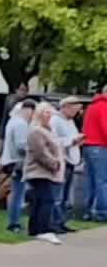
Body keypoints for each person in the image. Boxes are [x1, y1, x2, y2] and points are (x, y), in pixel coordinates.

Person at [24, 102, 64, 242]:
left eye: (50, 113)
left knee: (40, 200)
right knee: (47, 200)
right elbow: (40, 152)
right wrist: (54, 164)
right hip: (39, 171)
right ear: (39, 114)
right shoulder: (36, 131)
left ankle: (35, 229)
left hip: (48, 172)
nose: (48, 115)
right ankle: (43, 229)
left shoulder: (49, 130)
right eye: (46, 112)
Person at [0, 98, 34, 233]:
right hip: (18, 162)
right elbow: (21, 145)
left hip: (11, 161)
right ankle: (14, 223)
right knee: (18, 195)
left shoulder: (12, 121)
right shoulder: (21, 124)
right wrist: (33, 150)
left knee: (16, 194)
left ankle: (14, 221)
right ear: (28, 109)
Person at [49, 97, 83, 231]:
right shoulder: (55, 121)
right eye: (74, 110)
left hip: (70, 160)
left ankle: (61, 221)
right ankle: (53, 223)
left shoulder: (70, 122)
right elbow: (54, 140)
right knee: (58, 194)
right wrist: (71, 141)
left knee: (65, 195)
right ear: (66, 107)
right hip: (61, 160)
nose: (75, 113)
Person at [81, 90, 107, 222]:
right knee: (102, 181)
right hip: (100, 146)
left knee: (89, 180)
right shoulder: (104, 106)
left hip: (87, 146)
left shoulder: (91, 106)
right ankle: (102, 212)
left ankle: (87, 211)